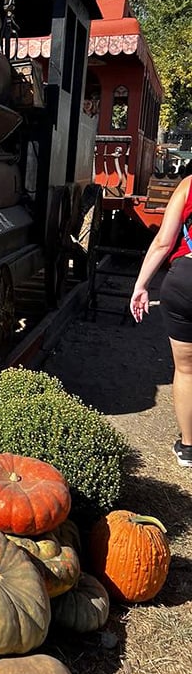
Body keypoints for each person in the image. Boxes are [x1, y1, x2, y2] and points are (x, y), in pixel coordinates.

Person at [130, 172, 192, 467]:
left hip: (185, 280)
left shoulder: (189, 184)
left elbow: (163, 242)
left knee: (187, 370)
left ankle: (189, 448)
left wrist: (140, 286)